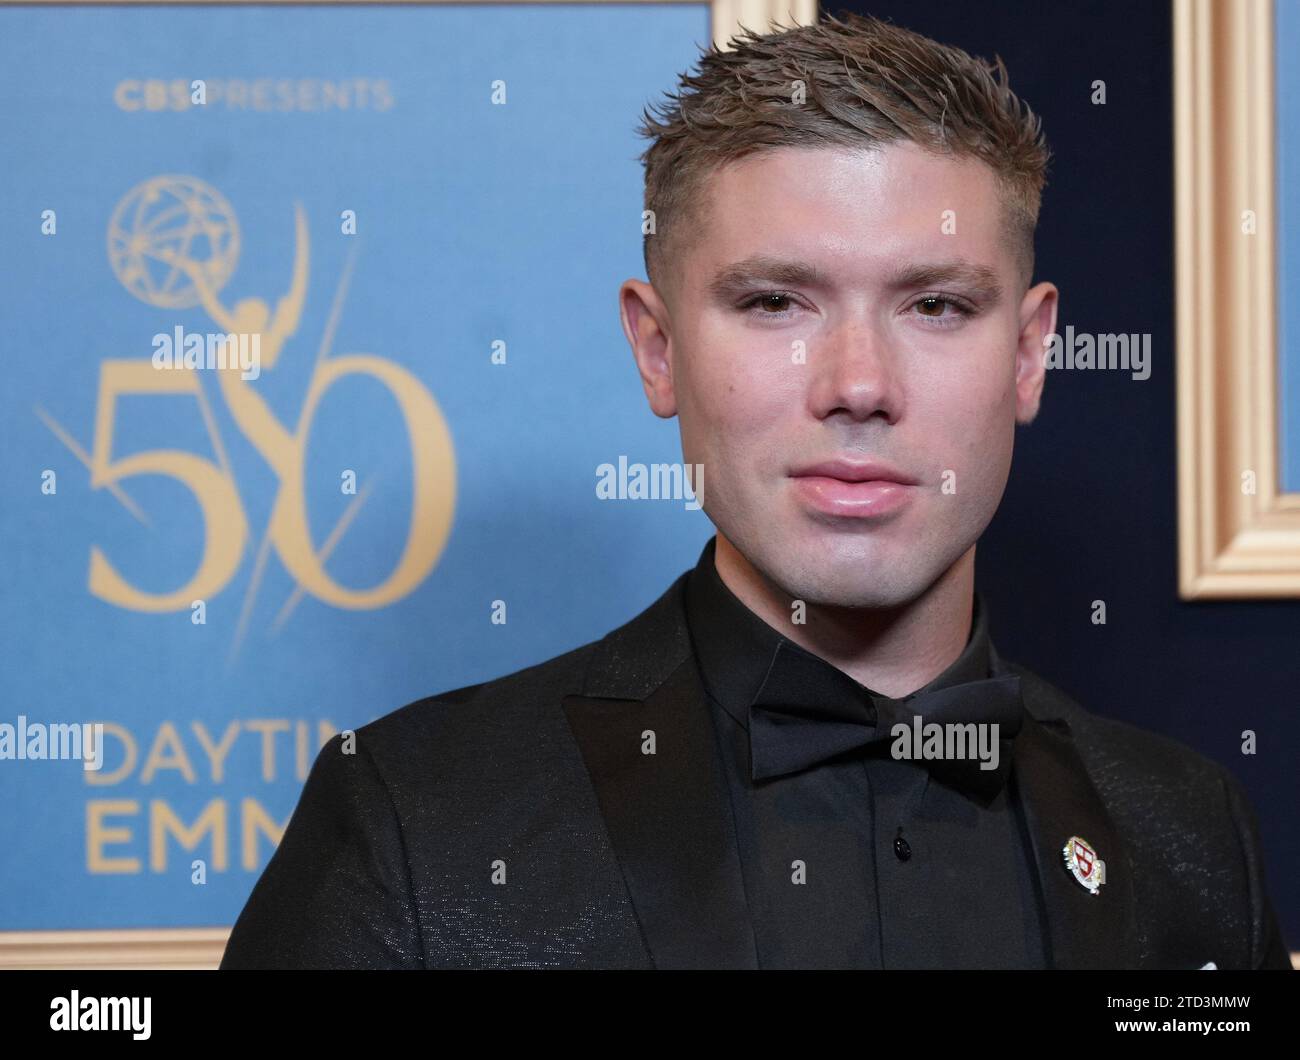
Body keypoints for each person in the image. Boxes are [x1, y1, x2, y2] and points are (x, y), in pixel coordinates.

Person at [220, 12, 1291, 970]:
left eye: (934, 307)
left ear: (1028, 354)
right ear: (657, 350)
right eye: (776, 302)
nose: (858, 386)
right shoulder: (416, 825)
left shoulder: (1188, 838)